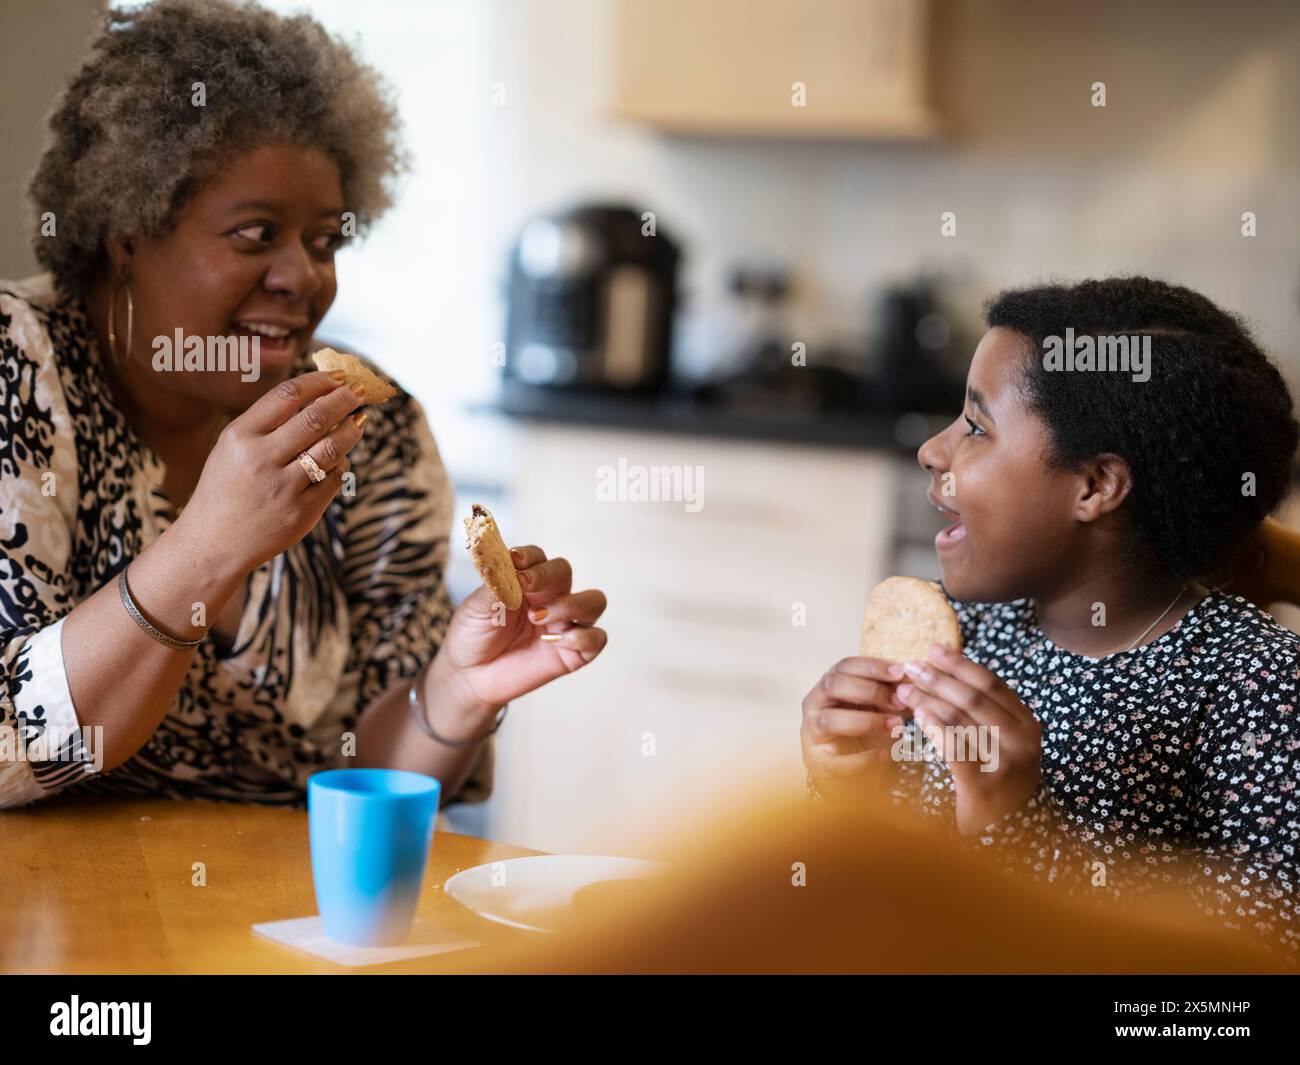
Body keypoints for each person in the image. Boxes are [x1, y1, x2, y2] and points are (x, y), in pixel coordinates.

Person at [0, 0, 607, 810]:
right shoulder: (22, 366)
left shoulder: (372, 431)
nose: (304, 277)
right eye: (256, 234)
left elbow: (368, 779)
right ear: (129, 234)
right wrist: (210, 545)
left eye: (324, 242)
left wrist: (457, 689)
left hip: (277, 923)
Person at [801, 277, 1300, 960]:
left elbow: (1251, 963)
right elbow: (886, 897)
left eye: (976, 428)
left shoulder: (1256, 685)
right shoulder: (968, 634)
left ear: (1095, 486)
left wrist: (1016, 827)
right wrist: (850, 786)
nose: (933, 449)